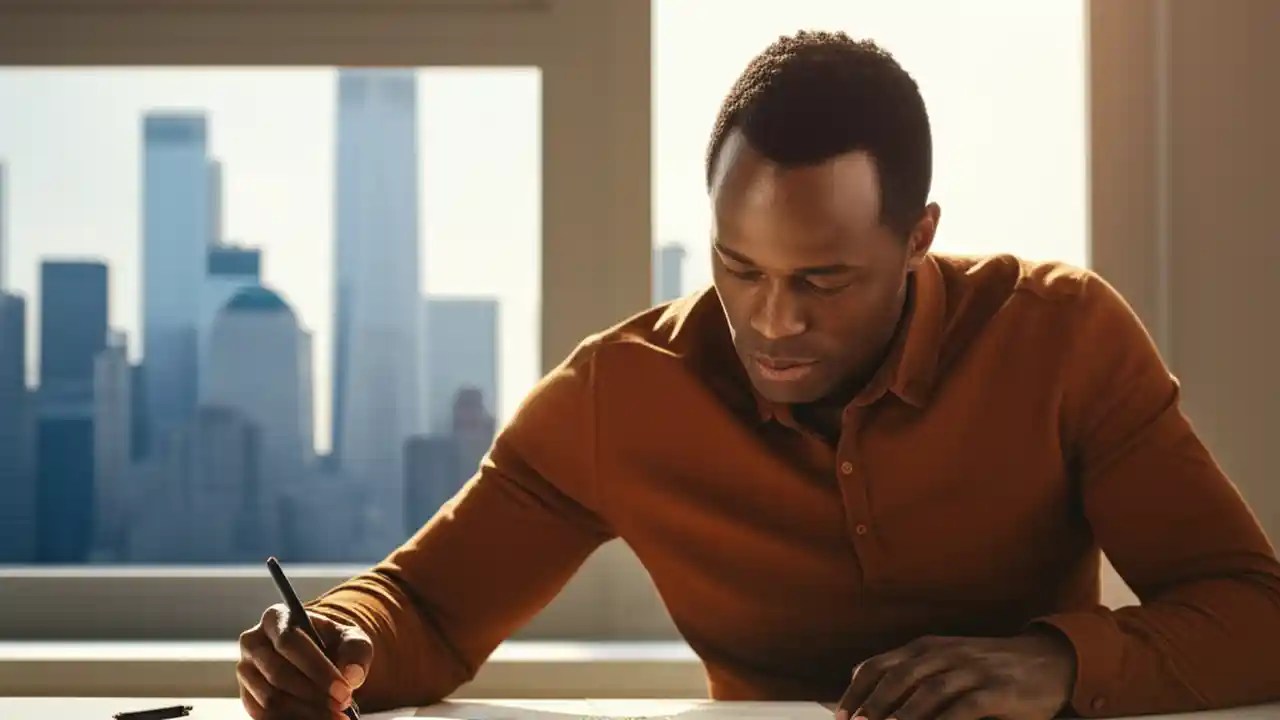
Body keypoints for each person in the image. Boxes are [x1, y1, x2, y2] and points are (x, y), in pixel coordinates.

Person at [236, 30, 1280, 720]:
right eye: (739, 268)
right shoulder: (620, 393)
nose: (773, 323)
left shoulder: (1061, 336)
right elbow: (423, 606)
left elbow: (1253, 610)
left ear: (917, 237)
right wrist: (335, 643)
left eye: (823, 280)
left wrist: (1056, 663)